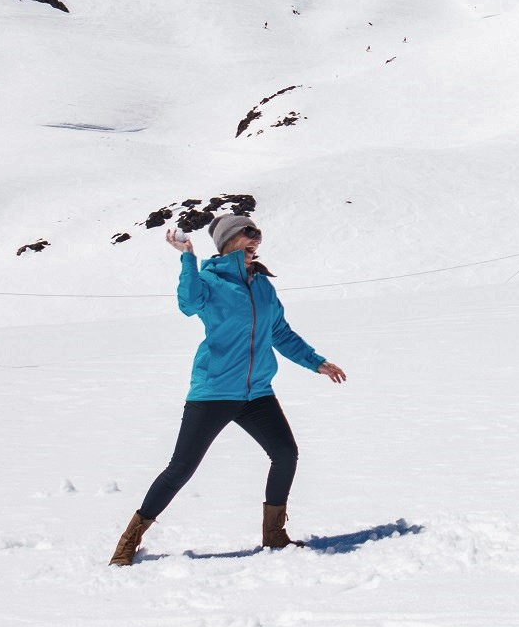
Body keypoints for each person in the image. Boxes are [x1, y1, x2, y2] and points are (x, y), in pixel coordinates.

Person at [109, 214, 347, 565]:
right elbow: (188, 304)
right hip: (214, 392)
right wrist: (187, 256)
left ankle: (274, 535)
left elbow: (279, 332)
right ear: (229, 241)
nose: (256, 240)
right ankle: (129, 540)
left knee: (285, 454)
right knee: (181, 469)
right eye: (248, 233)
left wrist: (315, 362)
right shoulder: (210, 281)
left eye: (258, 234)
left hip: (257, 394)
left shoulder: (262, 286)